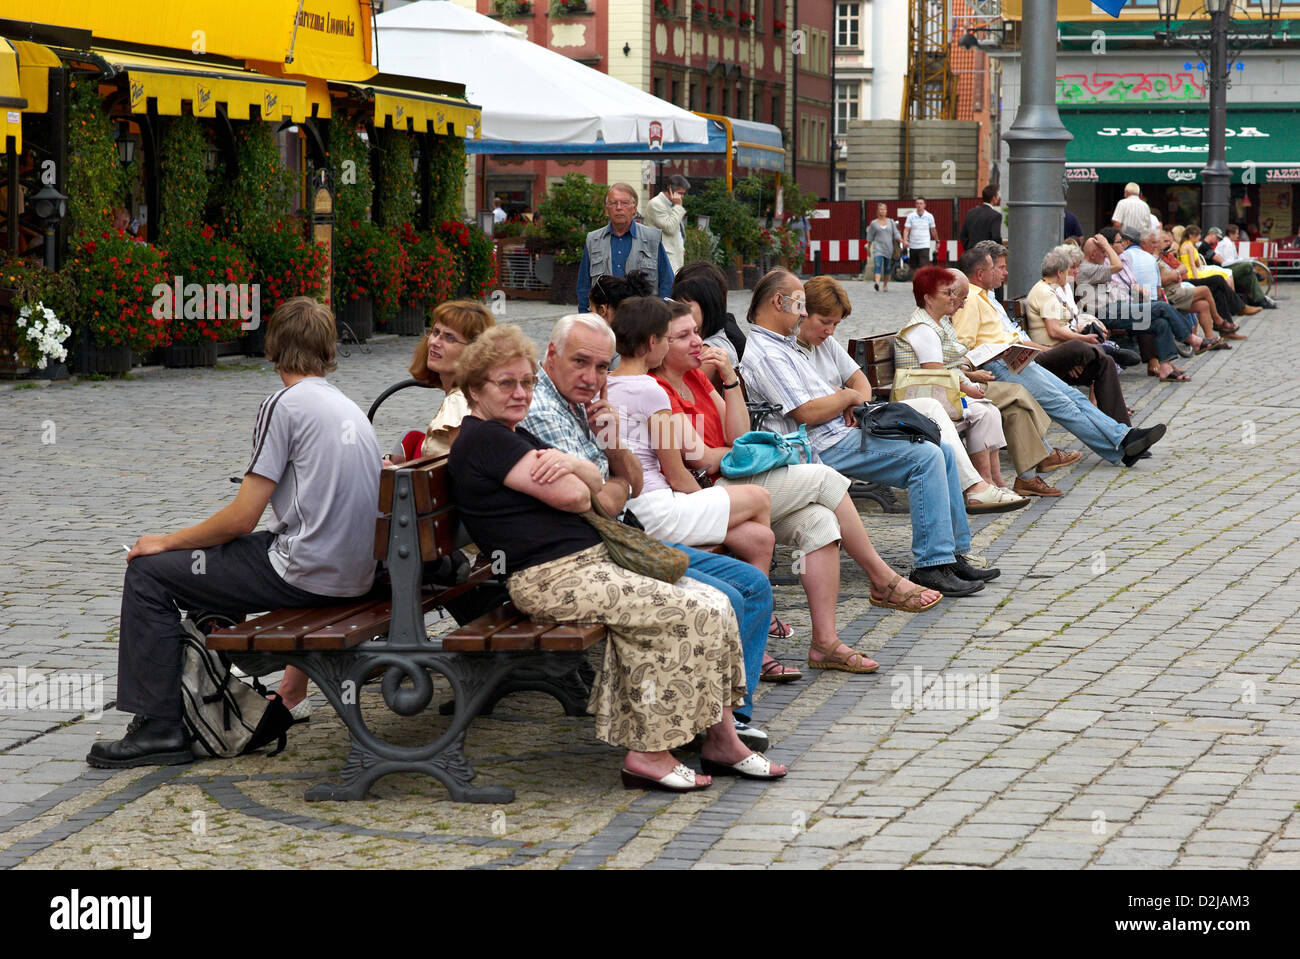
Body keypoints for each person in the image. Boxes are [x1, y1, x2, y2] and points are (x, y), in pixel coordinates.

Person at [448, 324, 785, 791]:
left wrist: (580, 464)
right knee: (683, 611)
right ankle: (647, 753)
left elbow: (602, 486)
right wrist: (583, 469)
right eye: (506, 384)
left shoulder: (510, 435)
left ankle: (722, 740)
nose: (521, 393)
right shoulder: (488, 439)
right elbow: (573, 497)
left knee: (716, 601)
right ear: (474, 388)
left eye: (526, 382)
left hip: (589, 564)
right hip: (553, 579)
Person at [88, 298, 382, 768]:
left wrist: (163, 541)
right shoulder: (346, 407)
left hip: (307, 571)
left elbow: (243, 517)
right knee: (213, 567)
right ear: (329, 351)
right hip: (353, 573)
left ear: (273, 349)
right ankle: (214, 699)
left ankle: (161, 727)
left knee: (149, 574)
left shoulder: (284, 404)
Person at [643, 300, 943, 675]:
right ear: (655, 344)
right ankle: (882, 579)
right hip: (710, 492)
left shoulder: (695, 378)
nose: (698, 342)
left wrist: (731, 380)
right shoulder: (657, 390)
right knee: (826, 479)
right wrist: (728, 453)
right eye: (683, 336)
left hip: (735, 481)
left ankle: (825, 643)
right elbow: (699, 458)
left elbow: (737, 437)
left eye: (696, 332)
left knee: (820, 523)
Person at [519, 312, 777, 748]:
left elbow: (629, 483)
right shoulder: (545, 409)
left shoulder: (587, 403)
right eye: (581, 362)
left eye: (602, 367)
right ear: (551, 354)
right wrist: (610, 480)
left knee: (752, 581)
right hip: (602, 548)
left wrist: (612, 443)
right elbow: (598, 502)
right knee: (730, 590)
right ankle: (709, 729)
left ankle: (728, 718)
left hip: (627, 532)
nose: (592, 377)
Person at [740, 269, 997, 598]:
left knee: (940, 447)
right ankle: (931, 565)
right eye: (800, 305)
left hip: (837, 431)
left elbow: (831, 392)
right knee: (926, 457)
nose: (803, 312)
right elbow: (806, 412)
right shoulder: (768, 353)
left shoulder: (785, 345)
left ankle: (953, 555)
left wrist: (843, 398)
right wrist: (845, 397)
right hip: (819, 444)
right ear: (779, 302)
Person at [801, 274, 1027, 511]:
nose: (829, 331)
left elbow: (861, 384)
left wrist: (850, 398)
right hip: (844, 428)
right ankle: (975, 488)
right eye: (825, 322)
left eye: (835, 325)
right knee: (936, 449)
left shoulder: (826, 343)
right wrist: (846, 397)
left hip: (859, 418)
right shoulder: (921, 328)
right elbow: (815, 404)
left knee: (940, 418)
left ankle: (979, 487)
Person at [952, 245, 1166, 468]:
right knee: (1064, 404)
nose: (1004, 272)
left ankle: (1124, 440)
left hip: (1016, 358)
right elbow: (963, 346)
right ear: (981, 274)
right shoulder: (972, 300)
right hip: (1001, 364)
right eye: (999, 268)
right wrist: (990, 358)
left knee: (1074, 398)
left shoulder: (986, 297)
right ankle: (1123, 445)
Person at [946, 271, 1081, 497]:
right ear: (932, 296)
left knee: (1016, 409)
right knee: (1017, 392)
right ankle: (1041, 455)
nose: (959, 304)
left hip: (964, 380)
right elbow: (940, 369)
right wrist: (970, 375)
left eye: (959, 298)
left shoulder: (944, 320)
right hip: (952, 389)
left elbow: (957, 357)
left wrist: (968, 369)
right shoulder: (929, 327)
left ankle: (1023, 479)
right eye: (954, 297)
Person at [1023, 247, 1134, 426]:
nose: (1071, 274)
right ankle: (1106, 349)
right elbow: (1053, 331)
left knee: (1104, 362)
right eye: (1068, 270)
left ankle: (1122, 429)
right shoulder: (1045, 292)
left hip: (1059, 349)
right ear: (1060, 273)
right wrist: (1083, 339)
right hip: (1049, 350)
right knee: (1083, 346)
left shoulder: (1051, 290)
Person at [390, 300, 496, 462]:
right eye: (435, 332)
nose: (433, 342)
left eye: (449, 338)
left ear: (475, 352)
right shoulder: (471, 394)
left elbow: (462, 472)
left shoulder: (459, 401)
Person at [1079, 232, 1192, 382]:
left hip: (1118, 308)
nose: (1106, 255)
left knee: (1160, 323)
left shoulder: (1097, 265)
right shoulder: (1088, 268)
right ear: (1093, 254)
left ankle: (1165, 367)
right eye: (1103, 252)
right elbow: (1117, 266)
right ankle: (1190, 339)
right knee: (1161, 307)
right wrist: (1107, 244)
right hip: (1106, 312)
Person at [577, 183, 674, 310]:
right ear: (606, 209)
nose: (618, 208)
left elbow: (667, 283)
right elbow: (584, 286)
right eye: (613, 203)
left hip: (644, 319)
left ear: (634, 208)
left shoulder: (652, 238)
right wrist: (586, 319)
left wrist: (661, 317)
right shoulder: (593, 240)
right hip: (604, 320)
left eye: (624, 203)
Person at [672, 260, 747, 381]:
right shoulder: (720, 337)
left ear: (708, 305)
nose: (676, 311)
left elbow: (681, 392)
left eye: (684, 306)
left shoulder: (707, 353)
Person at [1202, 225, 1275, 308]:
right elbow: (1225, 262)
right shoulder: (1225, 244)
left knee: (1250, 277)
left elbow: (1233, 259)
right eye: (1236, 234)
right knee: (1248, 265)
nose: (1238, 236)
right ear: (1231, 234)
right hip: (1225, 269)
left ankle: (1260, 299)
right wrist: (1242, 261)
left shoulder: (1230, 243)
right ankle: (1256, 275)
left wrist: (1242, 259)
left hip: (1228, 267)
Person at [644, 174, 690, 272]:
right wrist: (678, 206)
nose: (682, 197)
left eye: (683, 194)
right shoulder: (656, 204)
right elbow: (670, 228)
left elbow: (677, 229)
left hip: (674, 255)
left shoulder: (672, 203)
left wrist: (680, 247)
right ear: (669, 189)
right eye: (680, 193)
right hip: (664, 256)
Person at [866, 203, 902, 292]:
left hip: (888, 249)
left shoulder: (891, 222)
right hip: (878, 248)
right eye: (880, 209)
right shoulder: (874, 223)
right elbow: (870, 237)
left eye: (884, 209)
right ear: (877, 211)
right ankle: (877, 283)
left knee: (887, 268)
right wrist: (869, 249)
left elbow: (896, 233)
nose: (882, 211)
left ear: (886, 211)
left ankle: (885, 285)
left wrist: (902, 241)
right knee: (877, 265)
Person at [960, 185, 1003, 251]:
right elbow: (996, 237)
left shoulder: (970, 212)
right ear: (993, 198)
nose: (998, 198)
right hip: (987, 254)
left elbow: (963, 235)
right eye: (998, 195)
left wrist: (969, 249)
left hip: (972, 253)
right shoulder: (996, 215)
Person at [903, 197, 936, 270]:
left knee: (924, 266)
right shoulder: (911, 216)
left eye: (921, 203)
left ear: (924, 205)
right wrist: (905, 240)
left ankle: (924, 281)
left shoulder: (929, 216)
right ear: (915, 205)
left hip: (924, 244)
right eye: (917, 203)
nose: (919, 205)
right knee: (913, 267)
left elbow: (933, 229)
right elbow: (906, 229)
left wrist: (937, 240)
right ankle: (914, 281)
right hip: (913, 245)